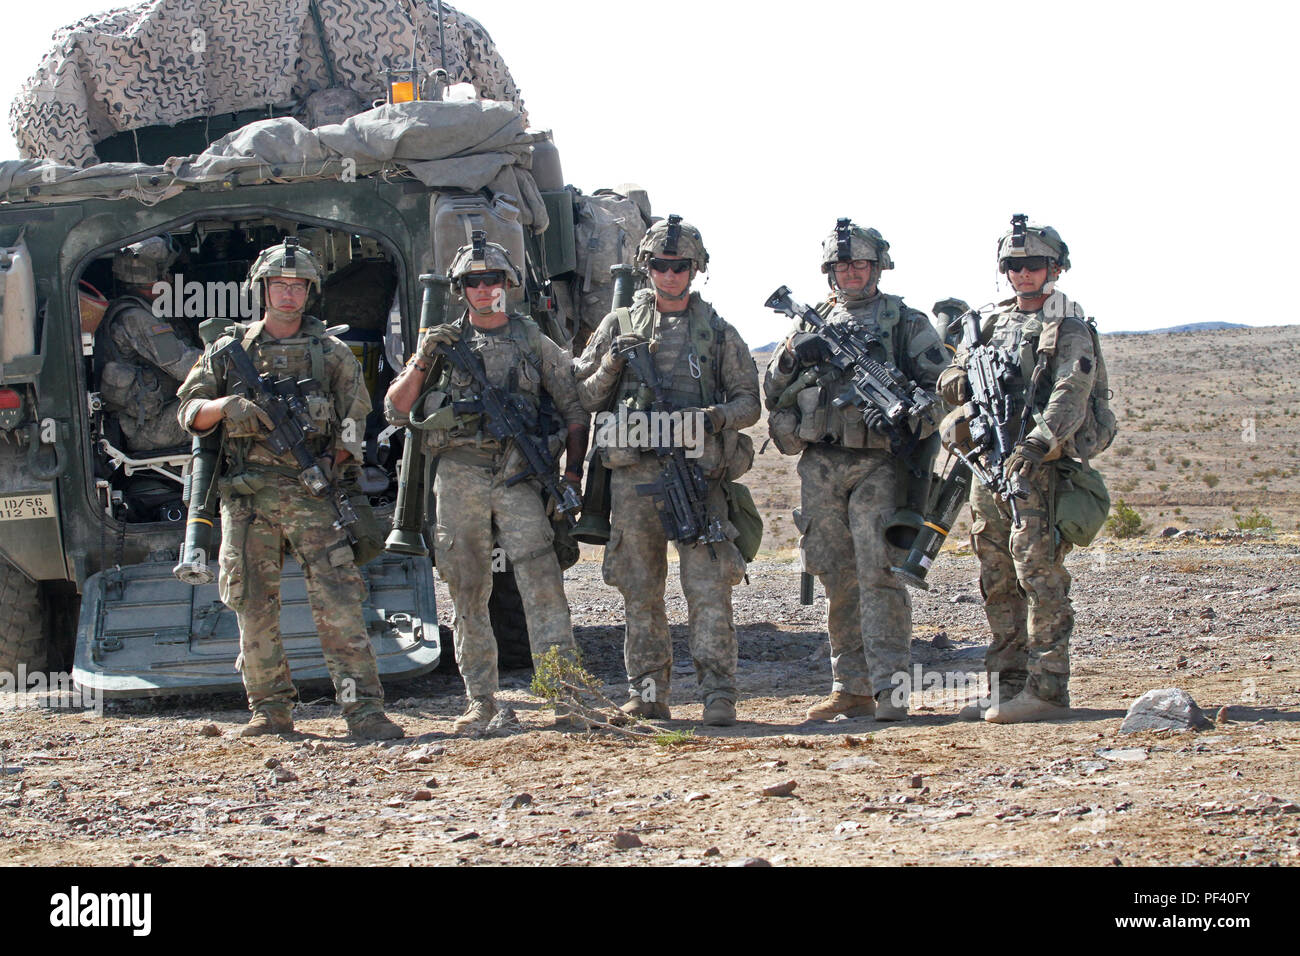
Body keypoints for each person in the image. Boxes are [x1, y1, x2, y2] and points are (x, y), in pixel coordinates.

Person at [176, 239, 403, 740]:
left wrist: (330, 462)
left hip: (315, 496)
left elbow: (355, 422)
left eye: (297, 286)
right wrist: (227, 406)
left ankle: (362, 709)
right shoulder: (228, 352)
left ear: (310, 292)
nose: (288, 294)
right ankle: (270, 711)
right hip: (249, 499)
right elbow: (189, 413)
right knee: (252, 606)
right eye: (279, 285)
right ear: (263, 289)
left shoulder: (333, 354)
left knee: (340, 604)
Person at [384, 236, 588, 734]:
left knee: (543, 586)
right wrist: (421, 359)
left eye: (492, 279)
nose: (483, 288)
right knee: (467, 591)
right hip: (458, 475)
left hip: (518, 476)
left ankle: (566, 696)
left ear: (507, 284)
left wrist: (571, 474)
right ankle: (481, 700)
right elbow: (396, 409)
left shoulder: (531, 341)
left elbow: (575, 410)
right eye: (473, 281)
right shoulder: (441, 343)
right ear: (461, 290)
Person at [574, 215, 760, 727]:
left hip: (698, 478)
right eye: (660, 265)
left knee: (707, 588)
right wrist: (613, 362)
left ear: (695, 269)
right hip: (634, 479)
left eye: (679, 266)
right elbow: (584, 395)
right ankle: (648, 693)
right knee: (640, 588)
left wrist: (712, 418)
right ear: (646, 268)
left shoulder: (717, 332)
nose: (670, 274)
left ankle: (718, 694)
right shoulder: (619, 326)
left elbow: (749, 402)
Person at [764, 220, 948, 723]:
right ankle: (850, 686)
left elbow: (945, 389)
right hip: (821, 462)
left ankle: (892, 689)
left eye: (860, 264)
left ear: (878, 267)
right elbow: (772, 390)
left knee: (879, 572)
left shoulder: (905, 323)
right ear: (830, 271)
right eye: (842, 265)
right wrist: (790, 356)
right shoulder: (810, 322)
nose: (851, 272)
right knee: (833, 571)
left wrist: (910, 414)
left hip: (880, 464)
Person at [936, 217, 1095, 723]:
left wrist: (1036, 443)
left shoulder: (1068, 327)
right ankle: (1006, 685)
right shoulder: (988, 324)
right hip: (989, 462)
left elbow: (1071, 392)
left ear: (1055, 268)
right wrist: (958, 381)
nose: (1023, 274)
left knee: (1039, 573)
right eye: (1013, 265)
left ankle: (1047, 689)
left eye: (1033, 265)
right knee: (996, 573)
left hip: (1038, 465)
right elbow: (950, 375)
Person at [97, 237, 202, 453]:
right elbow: (184, 366)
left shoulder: (136, 309)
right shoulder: (136, 317)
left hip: (149, 420)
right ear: (158, 278)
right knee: (226, 411)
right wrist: (227, 360)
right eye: (167, 274)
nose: (171, 280)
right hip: (150, 430)